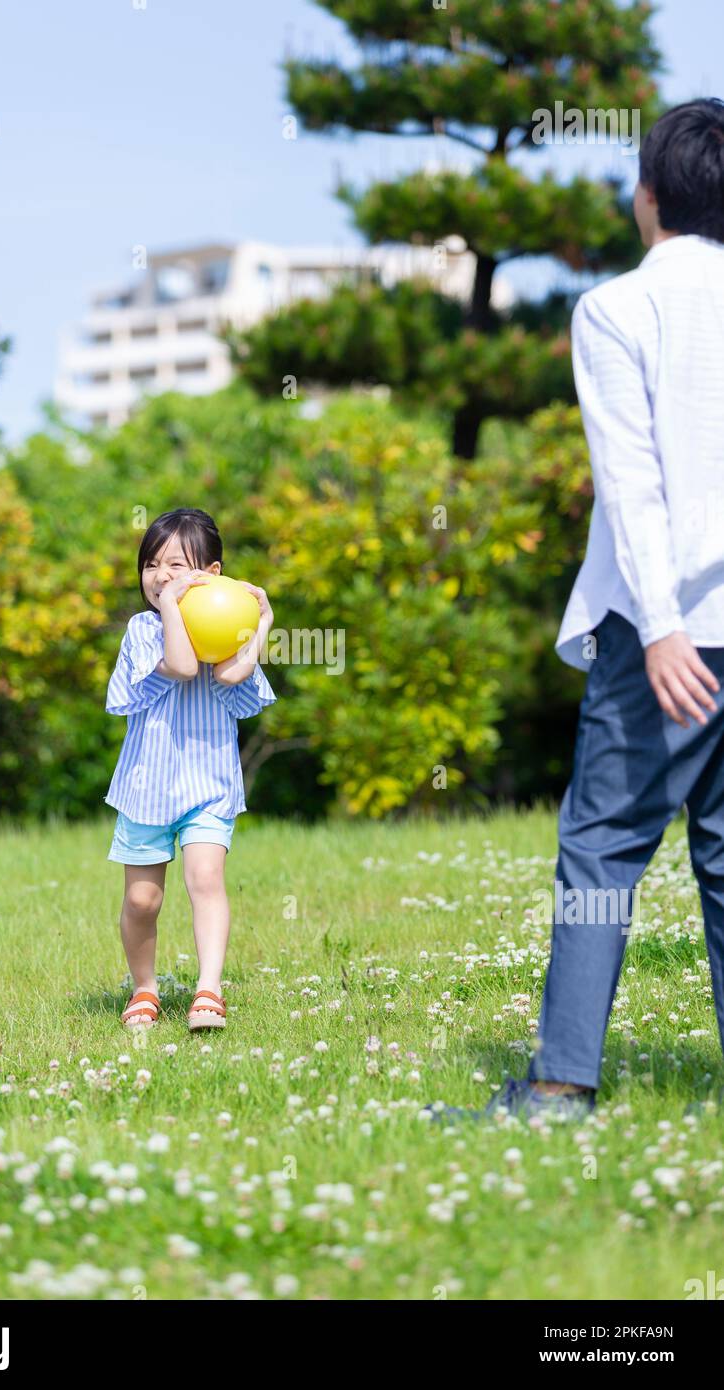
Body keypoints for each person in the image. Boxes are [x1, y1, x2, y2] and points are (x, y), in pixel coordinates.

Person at [430, 98, 724, 1123]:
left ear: (647, 198)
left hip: (664, 633)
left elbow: (630, 482)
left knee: (601, 847)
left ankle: (558, 1086)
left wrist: (656, 624)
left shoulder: (612, 312)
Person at [105, 507, 276, 1033]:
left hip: (208, 786)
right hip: (146, 789)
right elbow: (181, 665)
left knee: (205, 878)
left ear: (212, 574)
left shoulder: (226, 631)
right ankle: (145, 987)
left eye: (176, 565)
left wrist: (261, 621)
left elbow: (232, 673)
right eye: (151, 564)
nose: (161, 576)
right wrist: (178, 607)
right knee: (142, 898)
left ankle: (209, 988)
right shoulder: (142, 631)